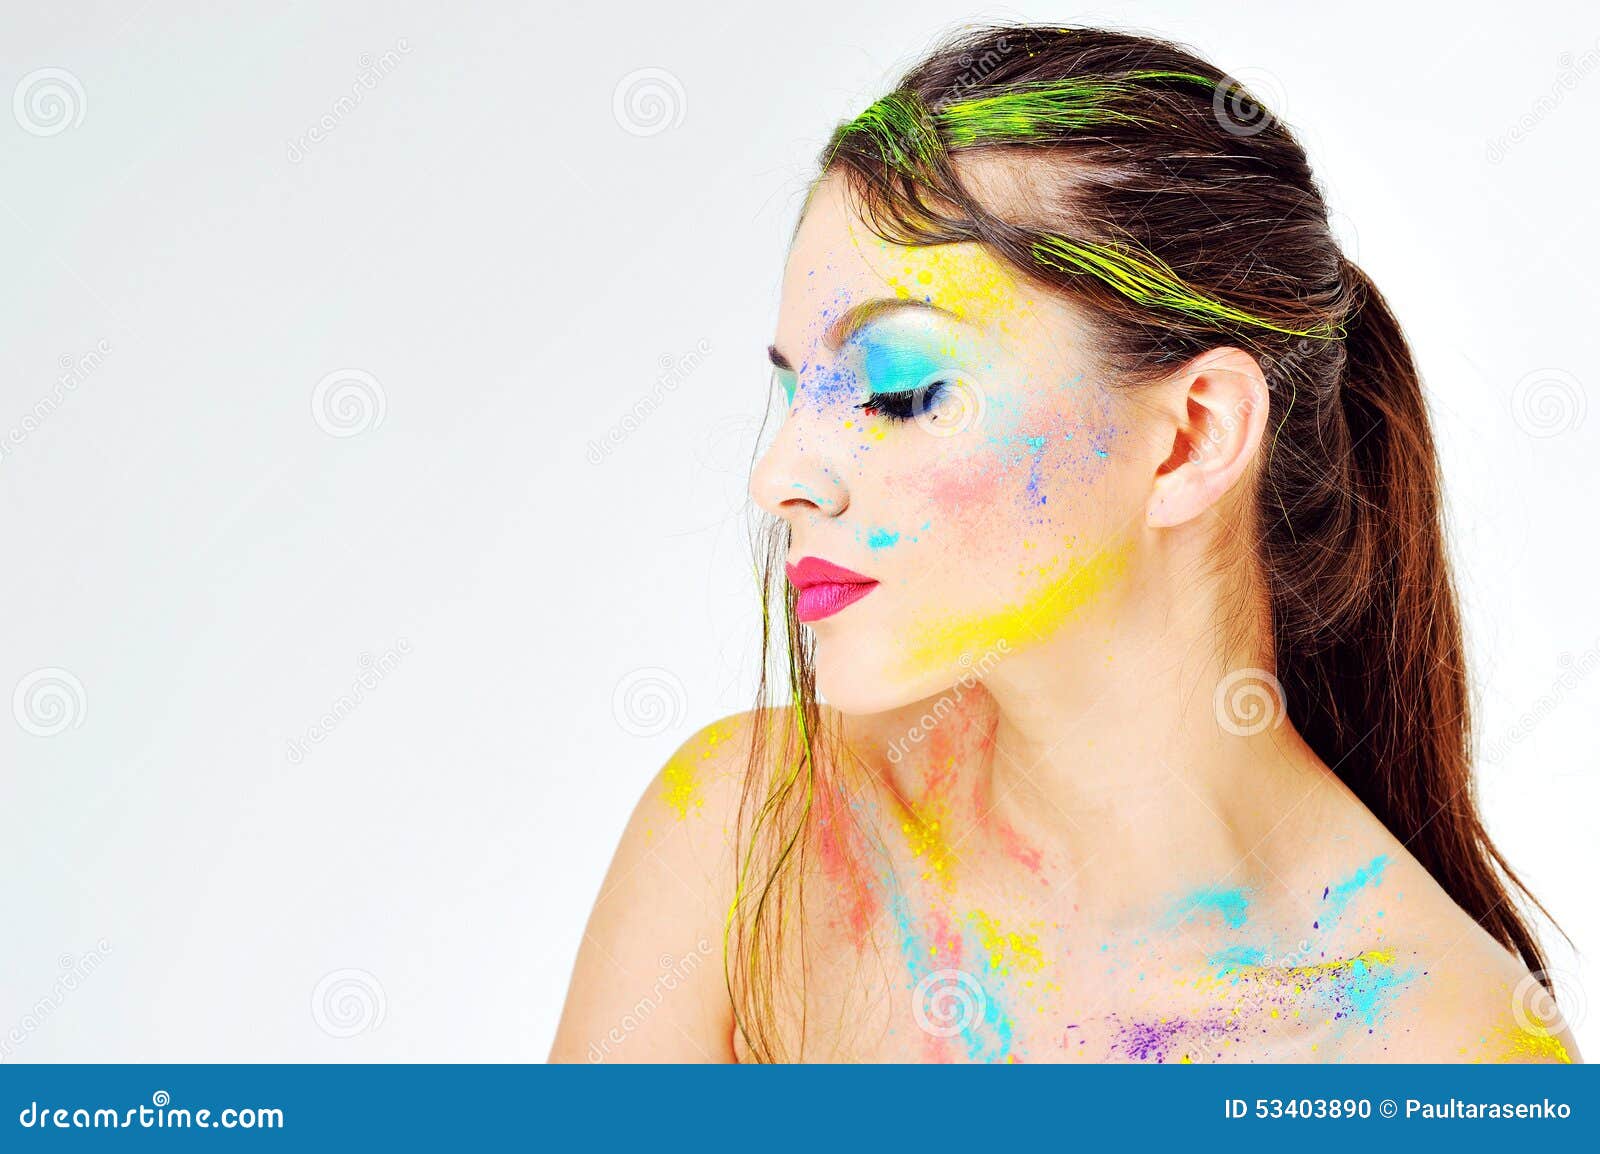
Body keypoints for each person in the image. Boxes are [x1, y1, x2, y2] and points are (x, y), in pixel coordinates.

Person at [552, 24, 1579, 1064]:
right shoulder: (748, 838)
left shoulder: (1446, 1052)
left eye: (898, 386)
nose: (777, 475)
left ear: (1190, 437)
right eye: (794, 388)